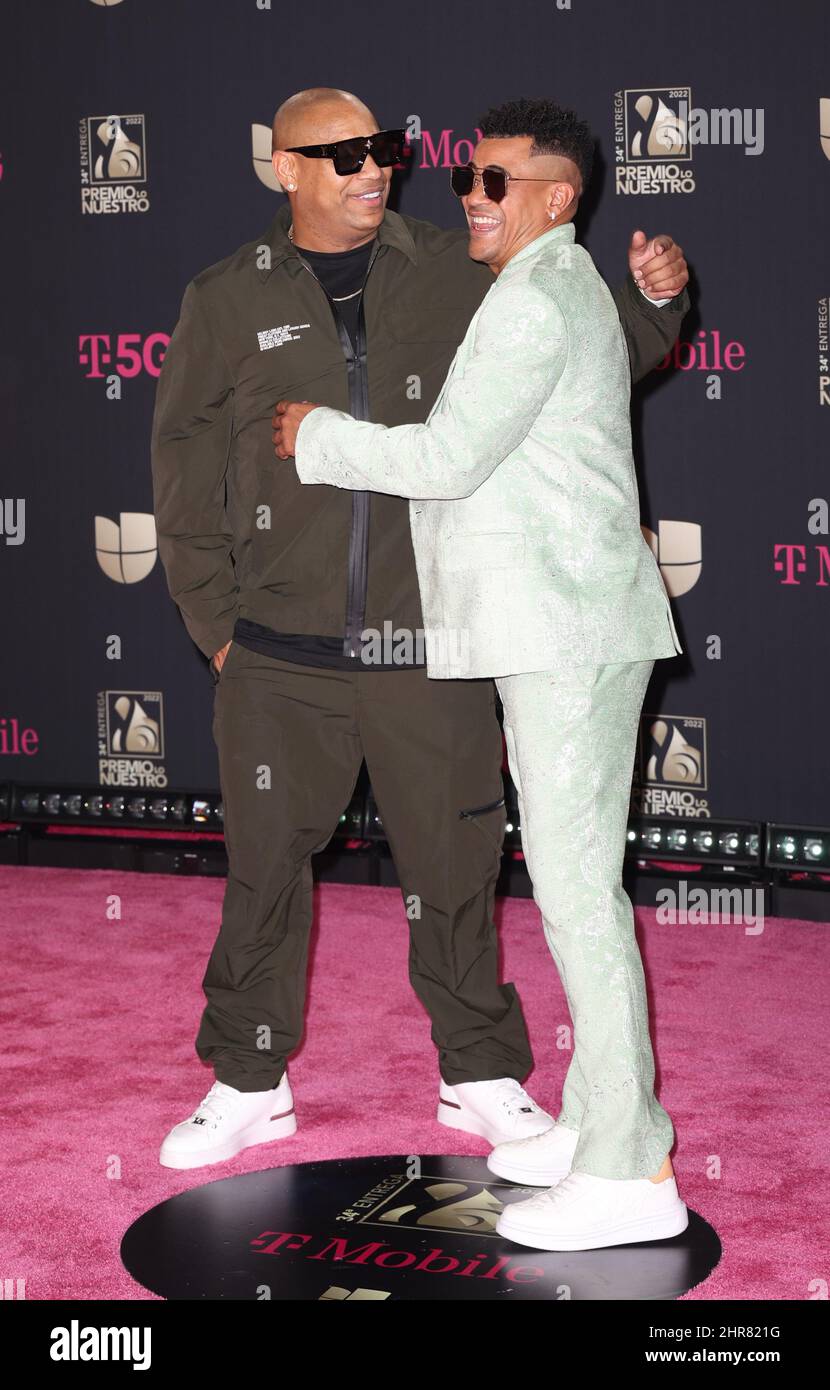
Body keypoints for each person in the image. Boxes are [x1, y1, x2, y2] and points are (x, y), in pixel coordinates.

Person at [151, 86, 689, 1174]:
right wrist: (214, 620)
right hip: (275, 652)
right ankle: (249, 1078)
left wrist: (659, 305)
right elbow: (184, 463)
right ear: (282, 168)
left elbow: (592, 348)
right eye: (340, 153)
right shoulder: (222, 297)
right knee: (261, 871)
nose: (371, 167)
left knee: (452, 865)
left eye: (385, 148)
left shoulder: (461, 263)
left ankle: (479, 1069)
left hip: (430, 640)